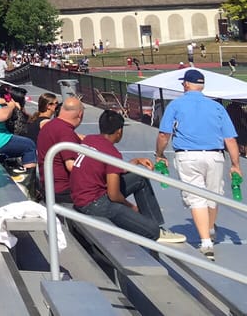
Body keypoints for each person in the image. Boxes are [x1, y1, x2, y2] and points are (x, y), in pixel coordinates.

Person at [154, 68, 241, 261]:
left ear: (185, 84)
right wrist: (236, 165)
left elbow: (163, 135)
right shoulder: (217, 107)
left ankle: (206, 242)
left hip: (188, 156)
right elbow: (230, 139)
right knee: (212, 195)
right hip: (215, 156)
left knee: (196, 198)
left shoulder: (176, 105)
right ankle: (209, 228)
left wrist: (159, 154)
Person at [72, 110, 186, 245]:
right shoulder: (110, 152)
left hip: (81, 196)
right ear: (119, 131)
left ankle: (155, 225)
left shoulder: (91, 139)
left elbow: (112, 170)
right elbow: (113, 195)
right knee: (119, 210)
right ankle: (154, 230)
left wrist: (136, 161)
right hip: (92, 203)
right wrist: (131, 207)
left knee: (139, 177)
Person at [36, 96, 85, 203]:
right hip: (64, 190)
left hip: (49, 186)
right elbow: (71, 165)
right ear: (80, 114)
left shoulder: (50, 126)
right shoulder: (66, 132)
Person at [0, 87, 37, 181]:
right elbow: (2, 116)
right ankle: (29, 183)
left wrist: (6, 101)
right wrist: (11, 106)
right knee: (29, 145)